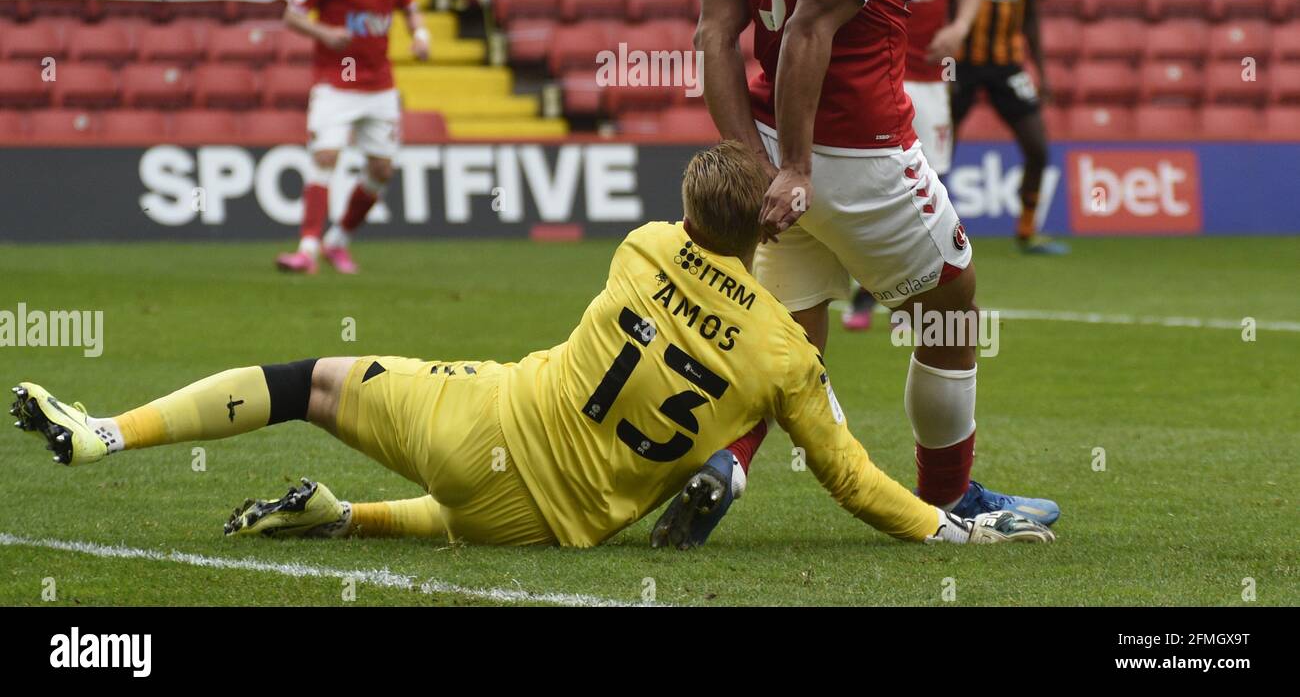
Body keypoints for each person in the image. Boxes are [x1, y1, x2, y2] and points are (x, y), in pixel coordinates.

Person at [10, 144, 1052, 551]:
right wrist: (944, 532)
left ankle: (104, 432)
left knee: (307, 381)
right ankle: (342, 518)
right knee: (464, 513)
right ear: (769, 230)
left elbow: (700, 236)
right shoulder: (787, 358)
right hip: (560, 528)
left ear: (687, 209)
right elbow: (851, 476)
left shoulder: (642, 247)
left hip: (490, 420)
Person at [680, 0, 1058, 548]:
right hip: (855, 148)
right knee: (952, 305)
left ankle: (725, 465)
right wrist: (796, 169)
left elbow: (715, 33)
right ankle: (951, 496)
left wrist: (753, 160)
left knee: (791, 339)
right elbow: (815, 23)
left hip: (774, 139)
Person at [843, 0, 982, 331]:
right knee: (879, 179)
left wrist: (961, 26)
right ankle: (863, 299)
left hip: (928, 78)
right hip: (877, 72)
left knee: (931, 184)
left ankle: (915, 301)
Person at [276, 0, 430, 275]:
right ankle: (306, 250)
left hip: (379, 85)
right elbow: (292, 15)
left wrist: (420, 34)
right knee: (326, 156)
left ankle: (338, 241)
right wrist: (324, 33)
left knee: (381, 171)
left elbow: (408, 7)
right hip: (336, 83)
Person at [952, 0, 1067, 255]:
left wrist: (1043, 73)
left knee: (1037, 147)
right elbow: (944, 6)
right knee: (939, 150)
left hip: (1007, 66)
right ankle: (930, 232)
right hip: (963, 65)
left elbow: (1031, 17)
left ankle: (1027, 230)